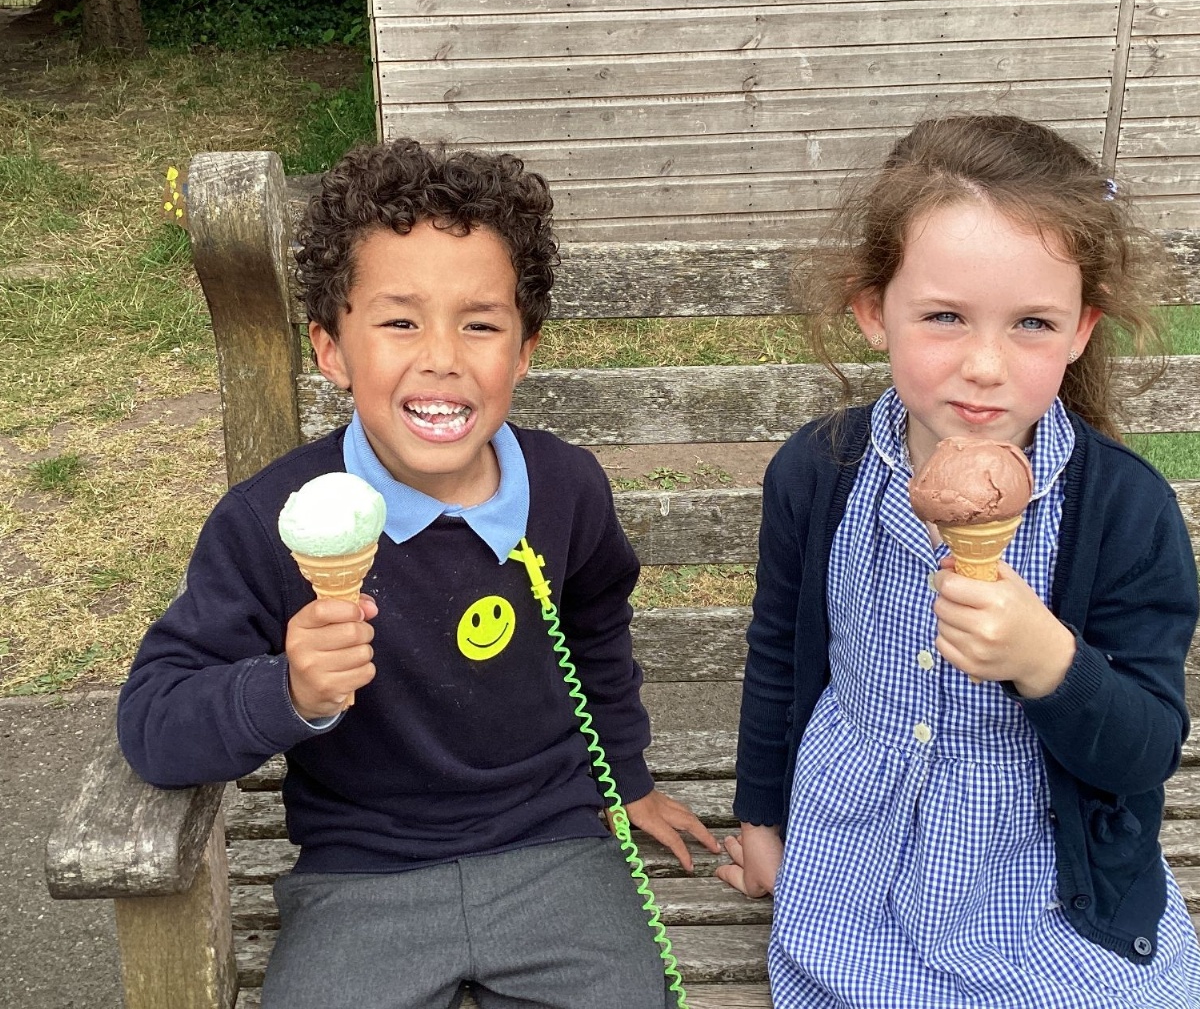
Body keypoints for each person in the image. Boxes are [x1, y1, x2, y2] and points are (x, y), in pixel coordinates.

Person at [117, 138, 720, 1009]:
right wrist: (287, 690)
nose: (441, 355)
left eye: (480, 322)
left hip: (553, 849)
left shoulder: (565, 491)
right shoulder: (271, 524)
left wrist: (624, 781)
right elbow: (154, 723)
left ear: (522, 351)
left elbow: (595, 633)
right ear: (331, 349)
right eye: (400, 321)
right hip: (361, 871)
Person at [716, 115, 1200, 1005]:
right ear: (873, 312)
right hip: (860, 854)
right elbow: (778, 653)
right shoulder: (816, 474)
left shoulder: (1124, 510)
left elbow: (1145, 749)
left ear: (1082, 330)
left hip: (1045, 868)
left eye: (1031, 324)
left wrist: (1048, 663)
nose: (984, 365)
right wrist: (762, 816)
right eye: (944, 316)